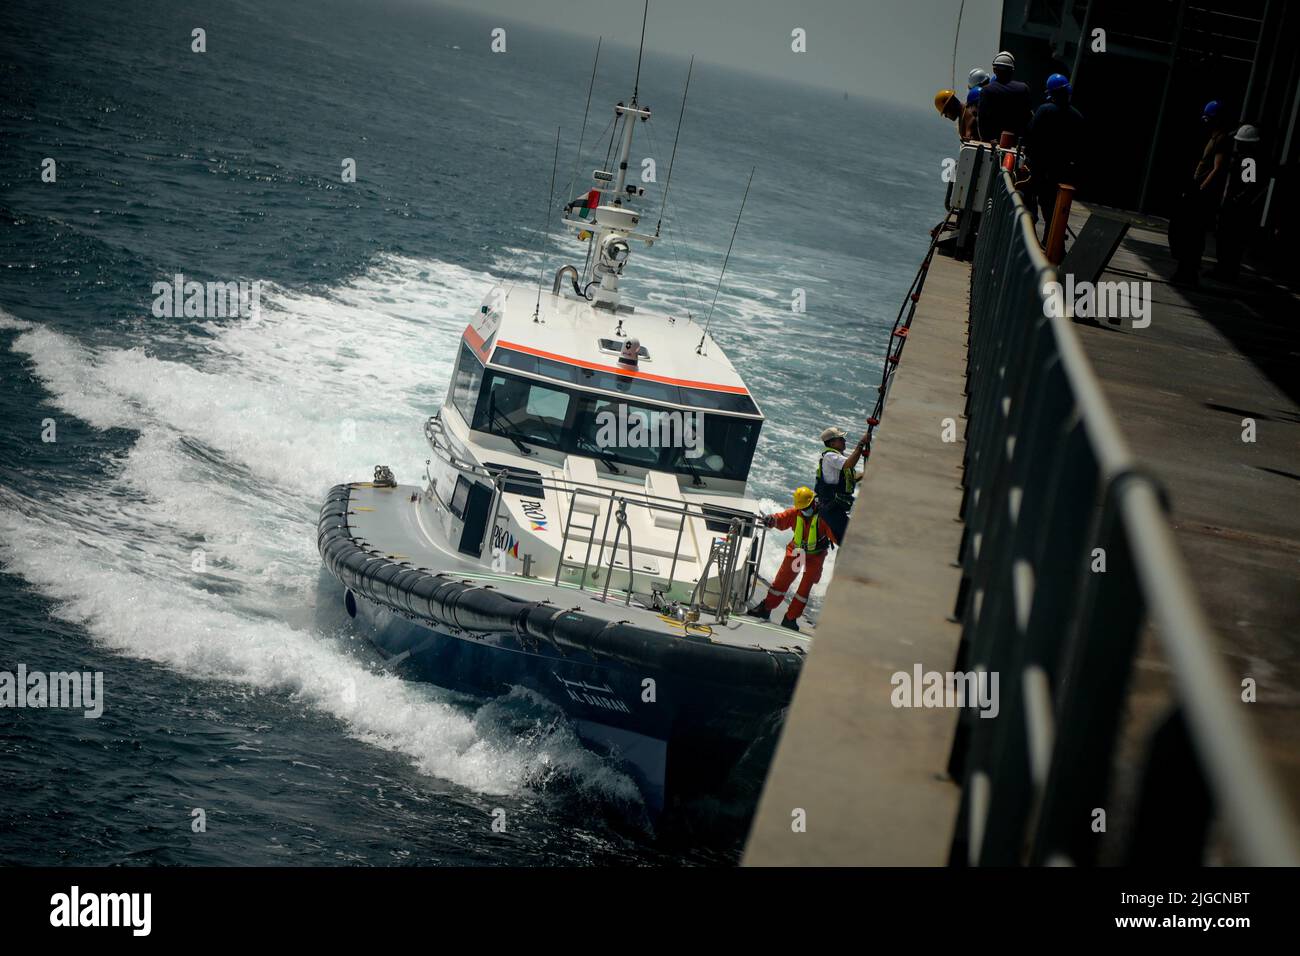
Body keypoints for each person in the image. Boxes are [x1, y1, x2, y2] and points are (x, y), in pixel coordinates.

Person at [746, 487, 836, 631]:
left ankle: (790, 618)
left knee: (804, 589)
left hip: (815, 556)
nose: (804, 510)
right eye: (802, 508)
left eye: (806, 507)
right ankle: (766, 608)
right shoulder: (796, 513)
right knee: (782, 580)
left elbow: (836, 536)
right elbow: (781, 519)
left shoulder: (824, 518)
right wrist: (771, 519)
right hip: (798, 553)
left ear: (814, 503)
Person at [1171, 100, 1235, 285]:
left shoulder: (1222, 139)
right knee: (1190, 232)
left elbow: (1217, 168)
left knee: (1194, 233)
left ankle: (1190, 271)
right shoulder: (1214, 137)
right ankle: (1189, 269)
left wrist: (1201, 188)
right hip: (1203, 192)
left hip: (1204, 195)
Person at [1023, 73, 1084, 240]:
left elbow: (1030, 134)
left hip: (1039, 167)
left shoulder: (1044, 110)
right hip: (1062, 171)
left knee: (1029, 198)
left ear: (1052, 94)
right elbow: (1079, 148)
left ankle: (1029, 234)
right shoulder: (1077, 117)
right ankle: (1051, 241)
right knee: (1053, 208)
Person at [1212, 124, 1265, 282]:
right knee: (1225, 239)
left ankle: (1226, 271)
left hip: (1235, 208)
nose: (1238, 144)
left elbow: (1249, 185)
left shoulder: (1248, 160)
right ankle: (1223, 269)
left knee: (1230, 240)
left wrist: (1236, 200)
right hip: (1233, 205)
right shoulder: (1242, 158)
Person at [814, 425, 867, 543]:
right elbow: (849, 464)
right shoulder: (830, 456)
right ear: (832, 443)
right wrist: (861, 444)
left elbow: (851, 478)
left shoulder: (837, 457)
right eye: (841, 439)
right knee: (851, 539)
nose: (844, 441)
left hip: (834, 507)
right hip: (830, 508)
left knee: (847, 539)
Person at [978, 51, 1033, 145]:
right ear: (1012, 70)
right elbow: (1028, 118)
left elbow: (982, 121)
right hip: (1016, 144)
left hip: (993, 143)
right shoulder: (1023, 88)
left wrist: (987, 139)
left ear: (994, 70)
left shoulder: (986, 90)